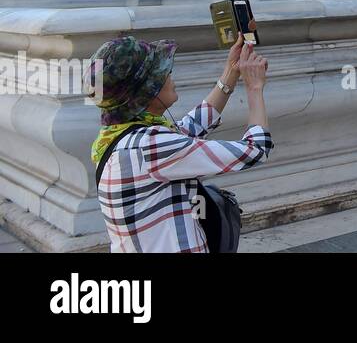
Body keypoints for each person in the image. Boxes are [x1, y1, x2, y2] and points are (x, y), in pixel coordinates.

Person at [88, 33, 272, 253]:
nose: (170, 75)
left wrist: (231, 71)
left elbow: (188, 128)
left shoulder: (122, 137)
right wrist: (254, 88)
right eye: (162, 73)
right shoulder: (149, 146)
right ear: (147, 90)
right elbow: (255, 150)